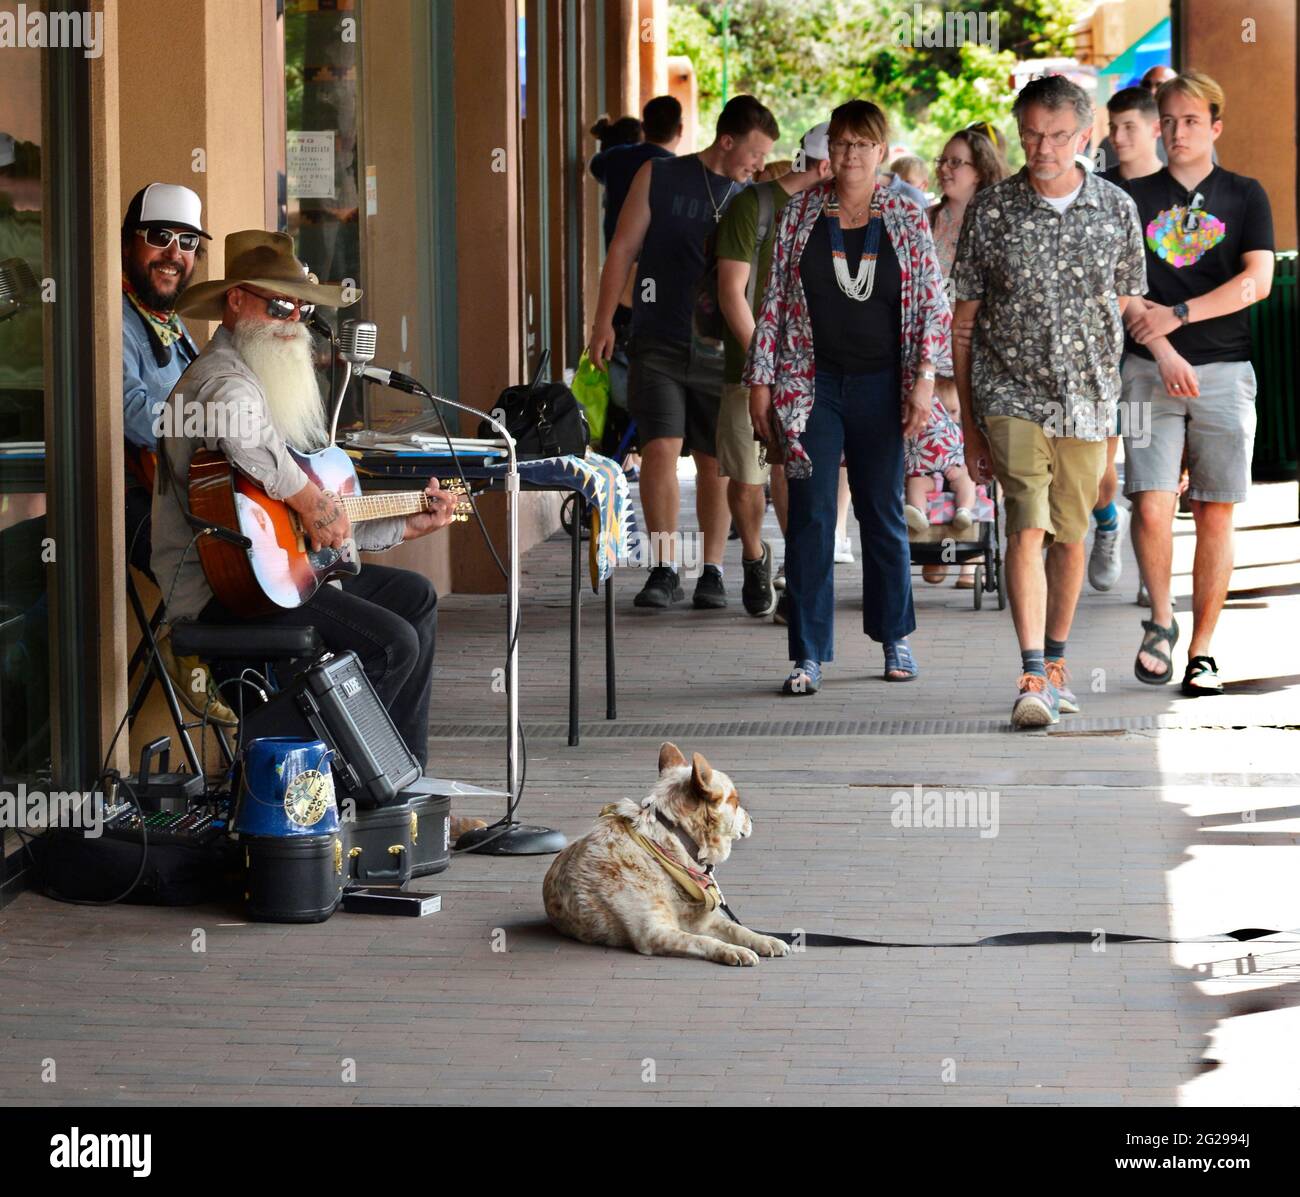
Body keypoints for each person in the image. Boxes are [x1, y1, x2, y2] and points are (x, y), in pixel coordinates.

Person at [154, 231, 462, 768]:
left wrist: (406, 526)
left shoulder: (265, 381)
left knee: (415, 599)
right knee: (392, 644)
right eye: (278, 306)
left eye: (300, 308)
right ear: (235, 301)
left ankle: (402, 777)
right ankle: (292, 775)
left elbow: (320, 519)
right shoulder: (219, 378)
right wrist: (307, 500)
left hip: (277, 577)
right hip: (227, 592)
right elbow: (243, 437)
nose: (292, 320)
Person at [952, 75, 1148, 728]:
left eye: (1057, 135)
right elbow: (964, 319)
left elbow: (1129, 308)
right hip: (1009, 390)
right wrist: (971, 429)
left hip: (1089, 400)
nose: (1042, 148)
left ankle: (1058, 666)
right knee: (1026, 521)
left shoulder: (1117, 209)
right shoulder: (992, 211)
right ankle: (1031, 671)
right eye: (1031, 134)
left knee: (1071, 534)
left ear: (1084, 135)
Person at [745, 99, 951, 694]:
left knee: (881, 512)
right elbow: (775, 302)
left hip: (884, 385)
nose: (850, 155)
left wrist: (924, 379)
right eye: (840, 143)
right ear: (825, 151)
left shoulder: (906, 218)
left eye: (862, 144)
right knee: (810, 516)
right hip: (811, 384)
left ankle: (894, 639)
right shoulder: (801, 213)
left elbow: (933, 307)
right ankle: (807, 653)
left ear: (881, 152)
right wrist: (760, 380)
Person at [587, 95, 778, 611]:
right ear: (727, 139)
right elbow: (623, 249)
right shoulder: (660, 175)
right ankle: (665, 565)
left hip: (721, 351)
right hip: (658, 338)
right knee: (659, 449)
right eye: (754, 154)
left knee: (716, 461)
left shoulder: (754, 195)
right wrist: (603, 321)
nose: (758, 165)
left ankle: (712, 569)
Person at [1121, 70, 1274, 697]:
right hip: (1143, 373)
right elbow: (1122, 290)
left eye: (1192, 120)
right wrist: (1162, 348)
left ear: (1215, 126)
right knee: (1150, 502)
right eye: (1170, 121)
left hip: (1226, 371)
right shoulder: (1130, 196)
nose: (1179, 131)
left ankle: (1204, 652)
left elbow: (1256, 282)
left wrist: (1182, 313)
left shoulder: (1245, 195)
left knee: (1216, 511)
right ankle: (1161, 620)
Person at [714, 123, 831, 618]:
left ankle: (794, 575)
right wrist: (765, 361)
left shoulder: (838, 212)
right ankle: (754, 554)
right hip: (750, 370)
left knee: (791, 471)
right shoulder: (753, 206)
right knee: (746, 480)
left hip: (812, 375)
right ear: (825, 165)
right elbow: (731, 292)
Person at [1082, 88, 1166, 595]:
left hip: (1167, 351)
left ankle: (1151, 571)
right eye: (1114, 127)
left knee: (1154, 473)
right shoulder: (1096, 190)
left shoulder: (1175, 189)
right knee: (1102, 469)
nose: (1119, 137)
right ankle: (1108, 524)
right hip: (1107, 352)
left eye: (1130, 127)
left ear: (1156, 128)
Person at [917, 128, 1007, 588]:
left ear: (981, 171)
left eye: (957, 162)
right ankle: (935, 542)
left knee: (974, 457)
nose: (946, 169)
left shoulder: (995, 223)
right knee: (929, 452)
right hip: (929, 358)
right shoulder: (924, 220)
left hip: (978, 356)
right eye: (943, 160)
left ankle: (970, 552)